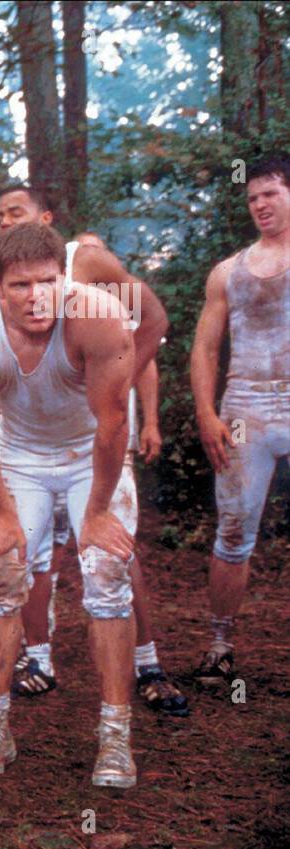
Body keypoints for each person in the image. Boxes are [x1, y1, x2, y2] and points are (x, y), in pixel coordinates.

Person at [0, 222, 151, 787]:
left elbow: (112, 425)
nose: (37, 298)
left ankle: (115, 734)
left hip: (91, 456)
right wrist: (6, 515)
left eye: (47, 282)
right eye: (20, 287)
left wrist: (98, 511)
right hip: (19, 456)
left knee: (107, 574)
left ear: (63, 278)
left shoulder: (98, 315)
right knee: (2, 575)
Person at [0, 185, 182, 713]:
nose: (5, 222)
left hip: (94, 427)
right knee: (26, 553)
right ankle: (37, 659)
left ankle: (147, 663)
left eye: (15, 212)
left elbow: (151, 319)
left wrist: (116, 382)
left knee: (107, 549)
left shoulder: (88, 262)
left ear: (47, 218)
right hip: (27, 438)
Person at [191, 154, 290, 690]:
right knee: (233, 530)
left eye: (270, 193)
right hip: (247, 409)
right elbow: (206, 347)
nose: (260, 205)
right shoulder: (228, 272)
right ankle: (220, 645)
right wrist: (207, 413)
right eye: (252, 197)